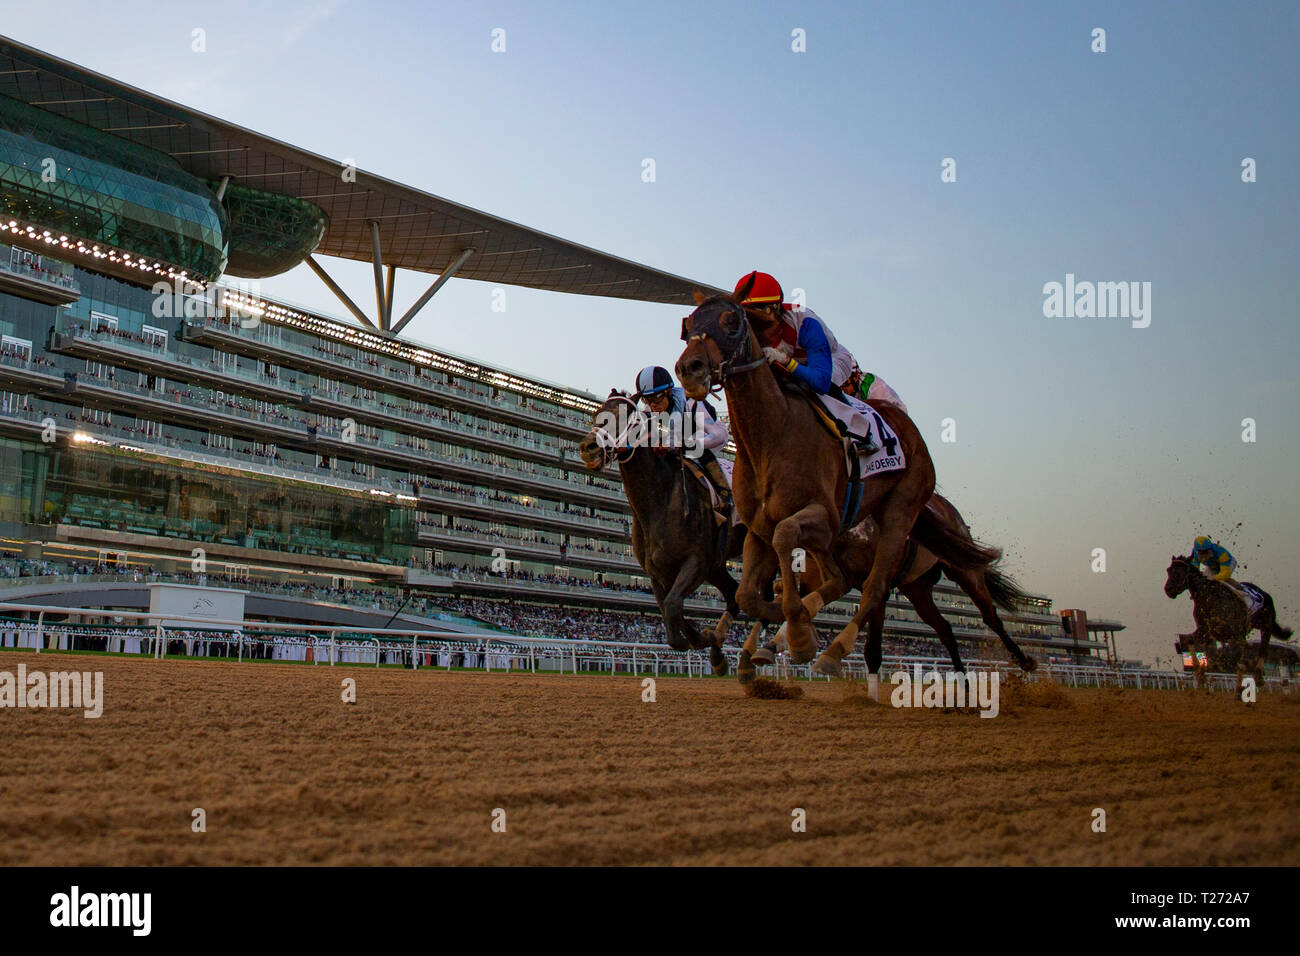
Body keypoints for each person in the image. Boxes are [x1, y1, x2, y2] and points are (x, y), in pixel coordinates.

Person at [735, 270, 879, 453]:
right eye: (745, 313)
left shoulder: (806, 323)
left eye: (755, 312)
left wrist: (785, 361)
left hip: (829, 361)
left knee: (813, 387)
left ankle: (861, 434)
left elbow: (820, 382)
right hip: (793, 362)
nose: (750, 320)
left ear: (774, 307)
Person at [632, 365, 732, 514]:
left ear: (669, 392)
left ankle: (724, 493)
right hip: (676, 436)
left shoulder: (690, 402)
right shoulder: (649, 412)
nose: (653, 404)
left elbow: (719, 436)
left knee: (696, 450)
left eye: (657, 398)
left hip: (703, 434)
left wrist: (681, 445)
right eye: (647, 400)